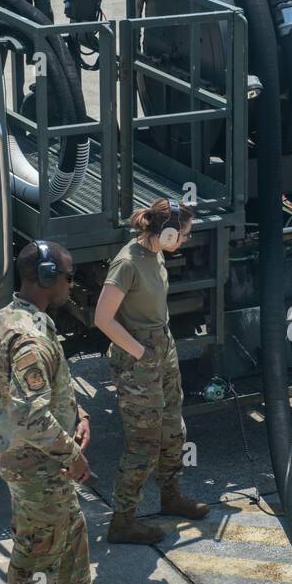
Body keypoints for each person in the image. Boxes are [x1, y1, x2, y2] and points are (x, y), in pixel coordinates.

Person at [0, 240, 123, 584]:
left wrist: (78, 411)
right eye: (68, 276)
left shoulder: (15, 315)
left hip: (46, 457)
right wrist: (73, 453)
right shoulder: (30, 337)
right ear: (48, 278)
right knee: (38, 550)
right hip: (36, 462)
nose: (73, 282)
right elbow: (29, 414)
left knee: (71, 529)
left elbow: (46, 390)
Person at [95, 197, 210, 544]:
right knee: (143, 444)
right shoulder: (127, 263)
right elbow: (102, 319)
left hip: (162, 347)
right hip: (139, 359)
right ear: (169, 231)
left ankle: (170, 495)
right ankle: (123, 520)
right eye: (185, 234)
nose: (186, 240)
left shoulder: (156, 251)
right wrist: (142, 353)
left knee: (173, 430)